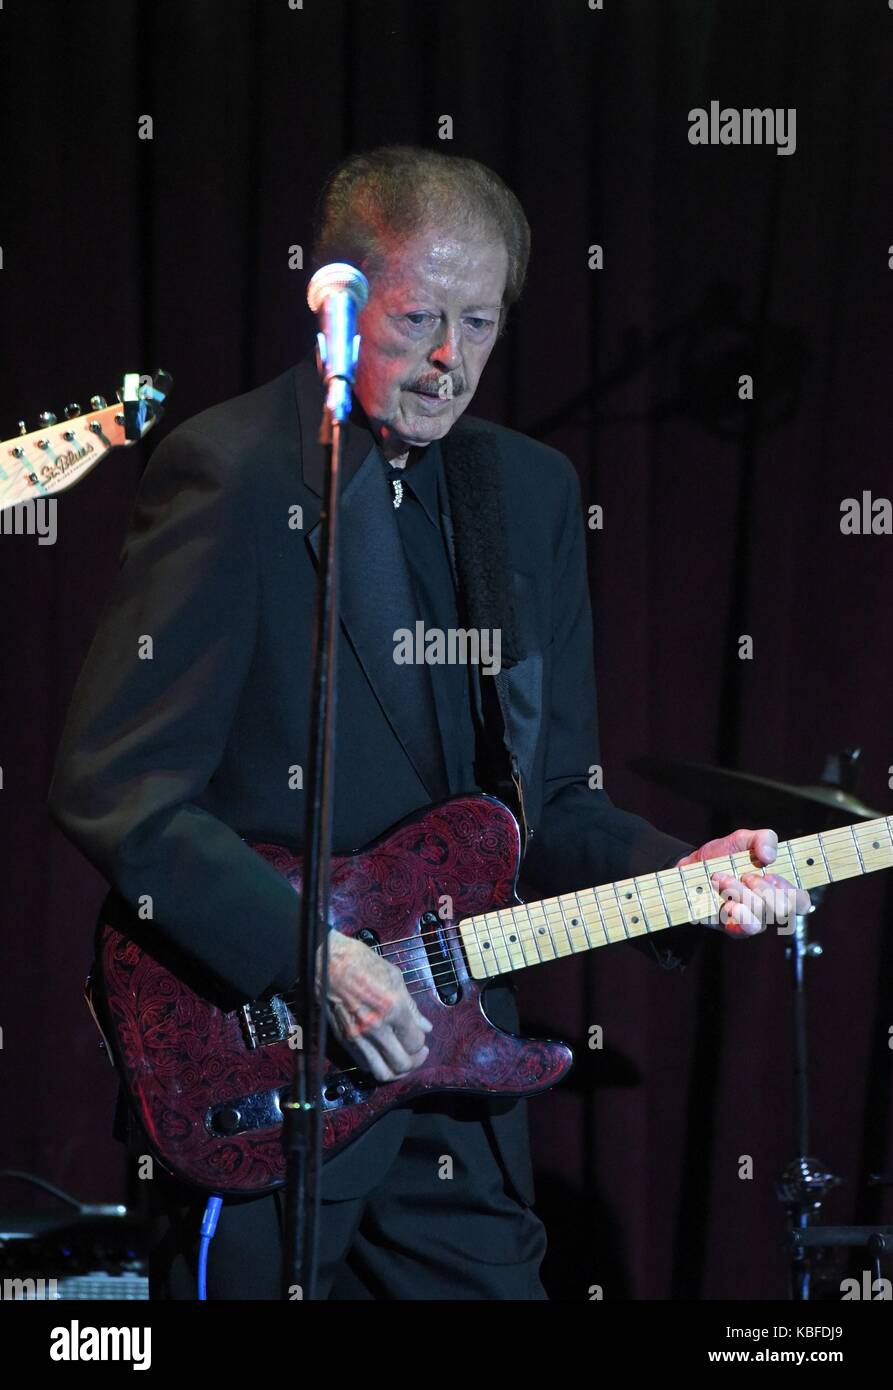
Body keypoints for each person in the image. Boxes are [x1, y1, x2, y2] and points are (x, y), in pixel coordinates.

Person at [48, 146, 809, 1300]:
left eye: (482, 321)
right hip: (262, 1081)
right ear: (341, 306)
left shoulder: (528, 494)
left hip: (452, 1090)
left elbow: (545, 804)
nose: (451, 361)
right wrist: (311, 956)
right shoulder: (236, 470)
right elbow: (120, 787)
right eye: (417, 320)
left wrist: (680, 872)